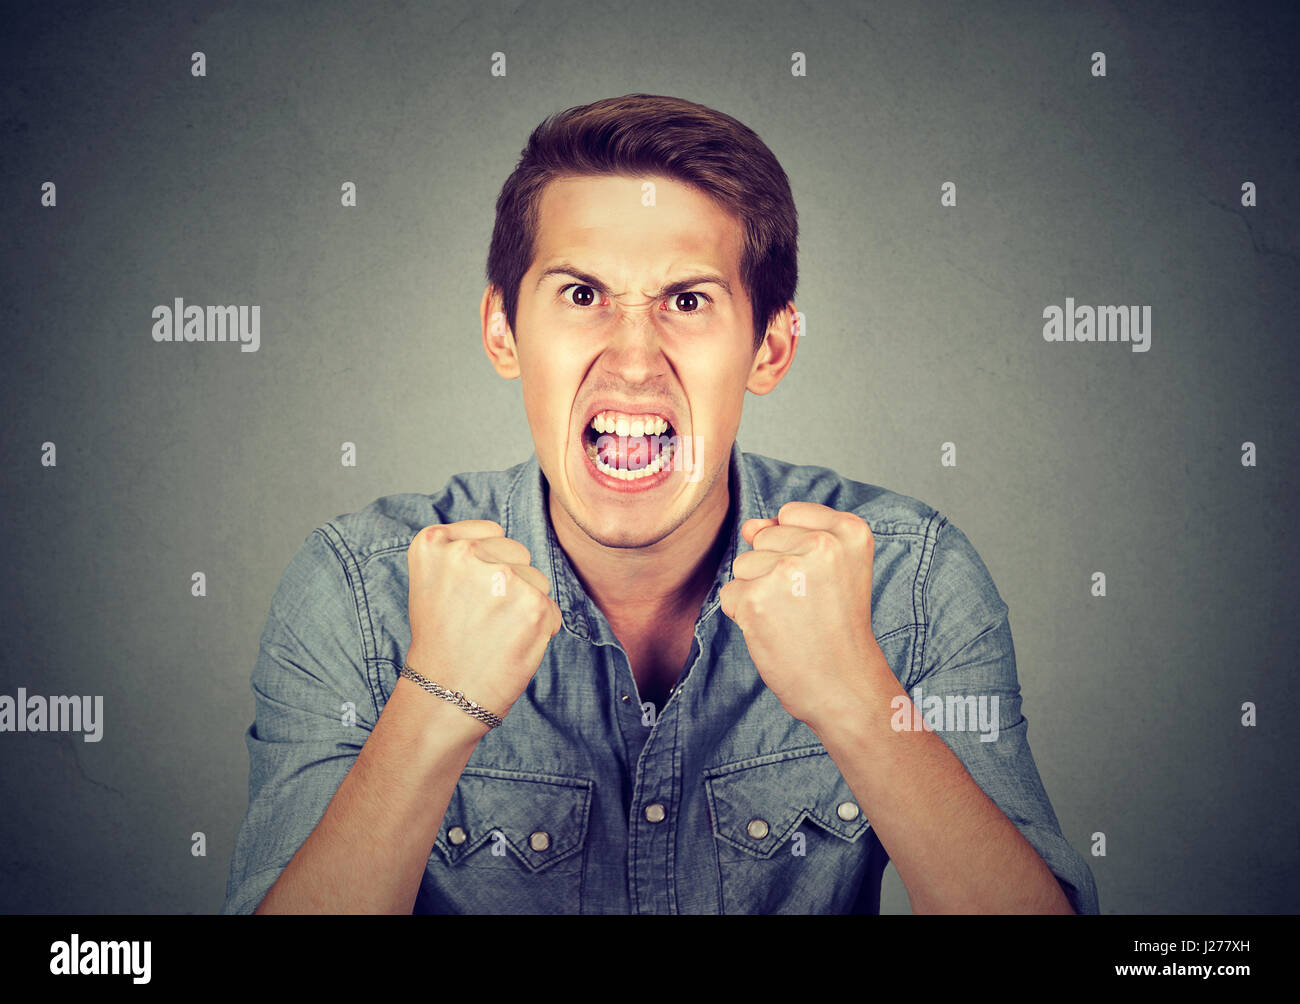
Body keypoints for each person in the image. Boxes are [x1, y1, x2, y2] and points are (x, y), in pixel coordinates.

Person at [222, 93, 1099, 915]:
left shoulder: (911, 579)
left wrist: (860, 701)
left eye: (687, 300)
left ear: (770, 346)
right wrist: (432, 705)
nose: (634, 360)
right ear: (503, 331)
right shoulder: (354, 591)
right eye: (581, 295)